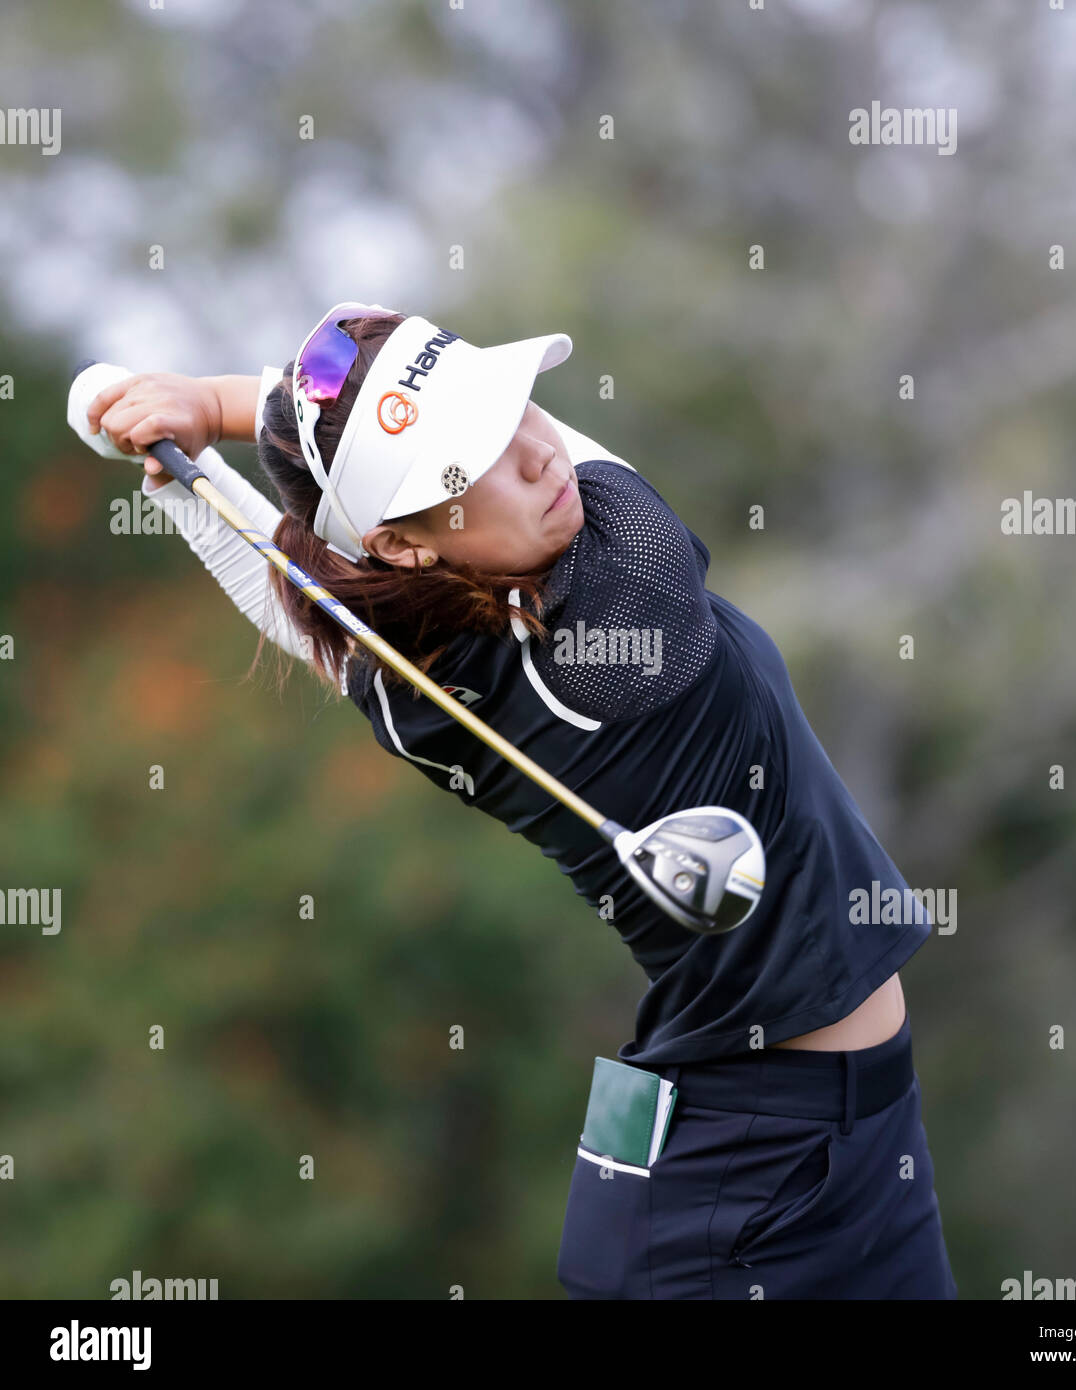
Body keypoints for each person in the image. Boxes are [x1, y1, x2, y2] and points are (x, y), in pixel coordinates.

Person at [81, 304, 957, 1299]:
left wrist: (189, 458)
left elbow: (308, 616)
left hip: (792, 1123)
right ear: (401, 544)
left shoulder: (421, 678)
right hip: (748, 1188)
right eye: (475, 458)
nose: (538, 453)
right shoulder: (625, 626)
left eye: (514, 408)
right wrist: (223, 410)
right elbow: (549, 474)